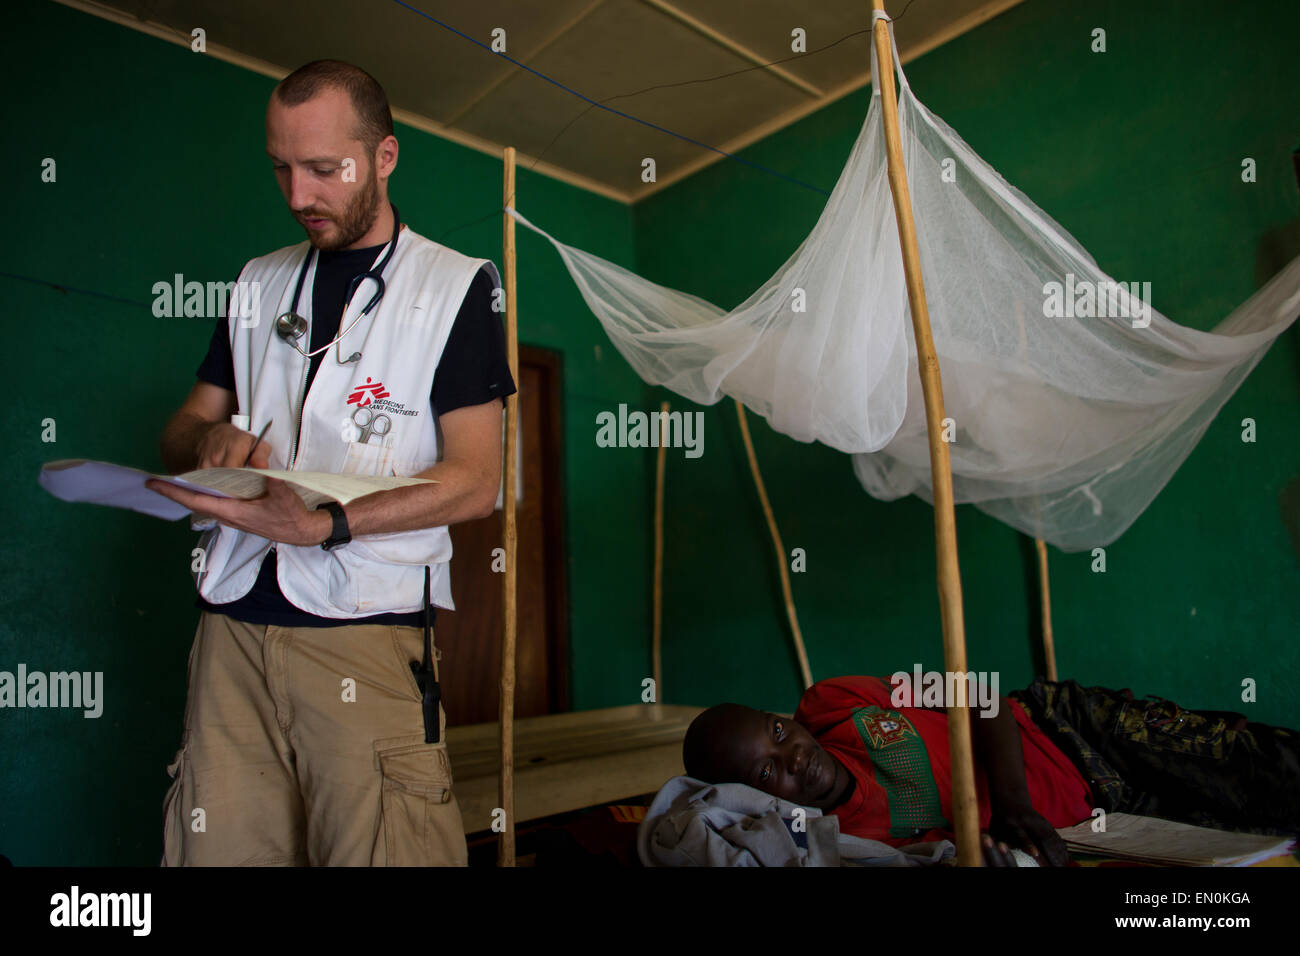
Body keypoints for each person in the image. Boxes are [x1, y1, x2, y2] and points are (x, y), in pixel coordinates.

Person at [148, 60, 516, 866]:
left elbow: (477, 480)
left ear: (384, 157)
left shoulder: (456, 290)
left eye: (323, 168)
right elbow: (185, 427)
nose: (296, 194)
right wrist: (204, 446)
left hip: (364, 635)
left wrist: (329, 525)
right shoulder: (257, 283)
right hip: (230, 634)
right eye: (281, 167)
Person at [683, 674, 1300, 867]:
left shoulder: (833, 703)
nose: (792, 757)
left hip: (1070, 729)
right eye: (767, 775)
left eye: (778, 732)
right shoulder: (852, 846)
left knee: (1276, 772)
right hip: (1106, 825)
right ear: (752, 801)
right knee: (1258, 850)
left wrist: (1012, 803)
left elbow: (979, 692)